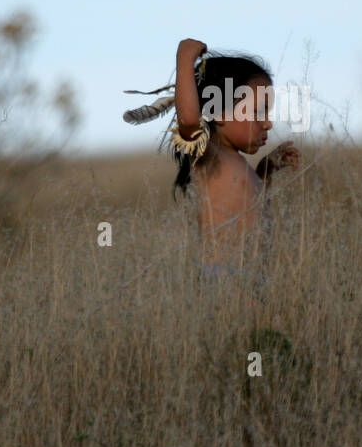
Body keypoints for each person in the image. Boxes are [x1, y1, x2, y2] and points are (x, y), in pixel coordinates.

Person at [122, 38, 300, 290]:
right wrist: (185, 59)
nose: (268, 123)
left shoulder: (239, 164)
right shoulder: (209, 154)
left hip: (251, 280)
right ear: (219, 112)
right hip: (222, 280)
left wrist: (265, 171)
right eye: (258, 112)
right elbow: (189, 121)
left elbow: (254, 211)